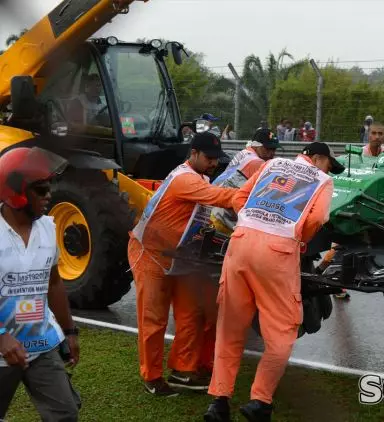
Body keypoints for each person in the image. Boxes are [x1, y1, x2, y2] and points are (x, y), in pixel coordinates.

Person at [204, 142, 345, 422]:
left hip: (240, 244)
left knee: (230, 326)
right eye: (330, 164)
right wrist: (298, 238)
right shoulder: (323, 180)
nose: (331, 171)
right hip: (277, 253)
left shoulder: (270, 164)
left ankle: (219, 402)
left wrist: (252, 222)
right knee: (282, 332)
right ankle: (260, 402)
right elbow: (317, 217)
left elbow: (238, 198)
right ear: (318, 159)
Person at [127, 132, 238, 396]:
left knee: (192, 313)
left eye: (216, 159)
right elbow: (221, 197)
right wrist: (255, 195)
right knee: (153, 318)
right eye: (209, 158)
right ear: (194, 154)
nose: (213, 163)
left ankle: (182, 370)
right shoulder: (184, 179)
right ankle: (152, 377)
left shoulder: (199, 176)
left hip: (179, 255)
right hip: (151, 254)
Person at [0, 147, 81, 421]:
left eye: (49, 188)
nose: (49, 196)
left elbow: (54, 282)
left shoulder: (48, 227)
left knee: (65, 414)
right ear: (16, 193)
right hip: (2, 350)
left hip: (40, 345)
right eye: (41, 189)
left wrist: (69, 331)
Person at [210, 128, 280, 235]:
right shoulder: (257, 162)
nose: (271, 153)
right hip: (224, 218)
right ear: (256, 145)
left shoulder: (245, 152)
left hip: (215, 207)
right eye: (267, 148)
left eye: (274, 149)